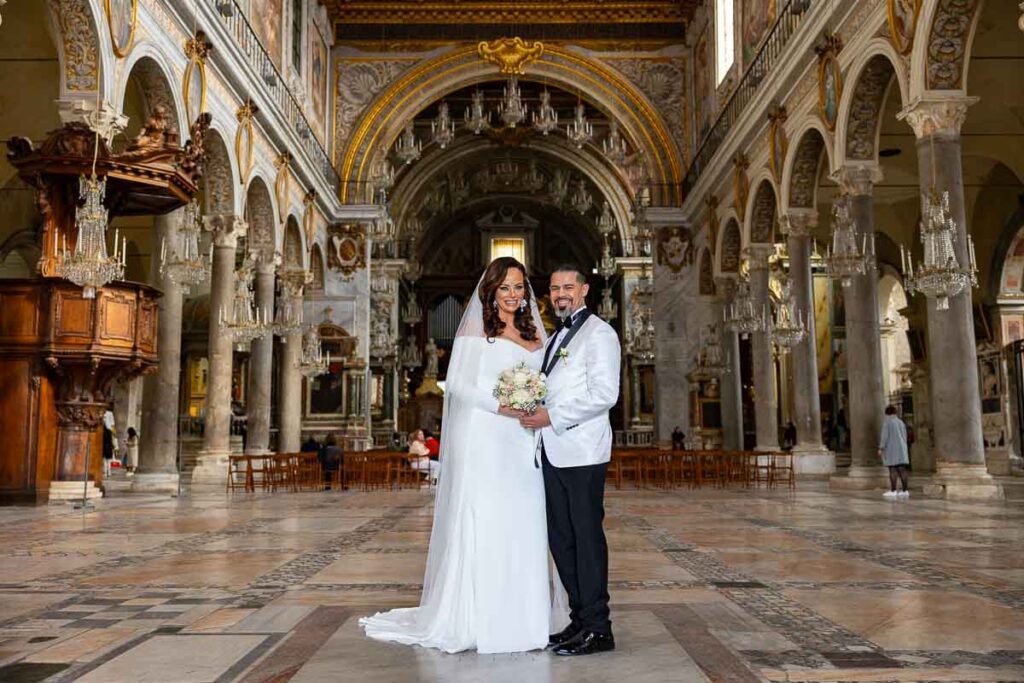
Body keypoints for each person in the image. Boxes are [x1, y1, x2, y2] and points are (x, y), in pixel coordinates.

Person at [361, 257, 566, 654]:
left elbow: (546, 383)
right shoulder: (477, 331)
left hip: (524, 441)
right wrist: (505, 406)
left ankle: (525, 618)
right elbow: (457, 385)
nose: (512, 294)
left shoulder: (536, 335)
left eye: (519, 287)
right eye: (504, 287)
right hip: (487, 437)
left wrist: (535, 403)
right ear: (489, 291)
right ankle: (477, 618)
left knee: (525, 519)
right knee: (485, 519)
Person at [520, 263, 621, 656]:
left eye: (567, 287)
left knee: (586, 538)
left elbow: (605, 393)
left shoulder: (600, 334)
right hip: (552, 450)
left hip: (582, 452)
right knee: (561, 539)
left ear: (584, 290)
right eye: (554, 288)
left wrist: (552, 416)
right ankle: (580, 620)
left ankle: (599, 627)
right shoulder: (556, 336)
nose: (560, 293)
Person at [879, 405, 910, 500]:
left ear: (887, 413)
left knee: (892, 469)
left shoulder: (887, 423)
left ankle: (893, 490)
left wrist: (881, 448)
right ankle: (905, 491)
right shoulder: (901, 422)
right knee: (902, 470)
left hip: (892, 449)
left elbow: (884, 436)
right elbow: (905, 436)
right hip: (902, 449)